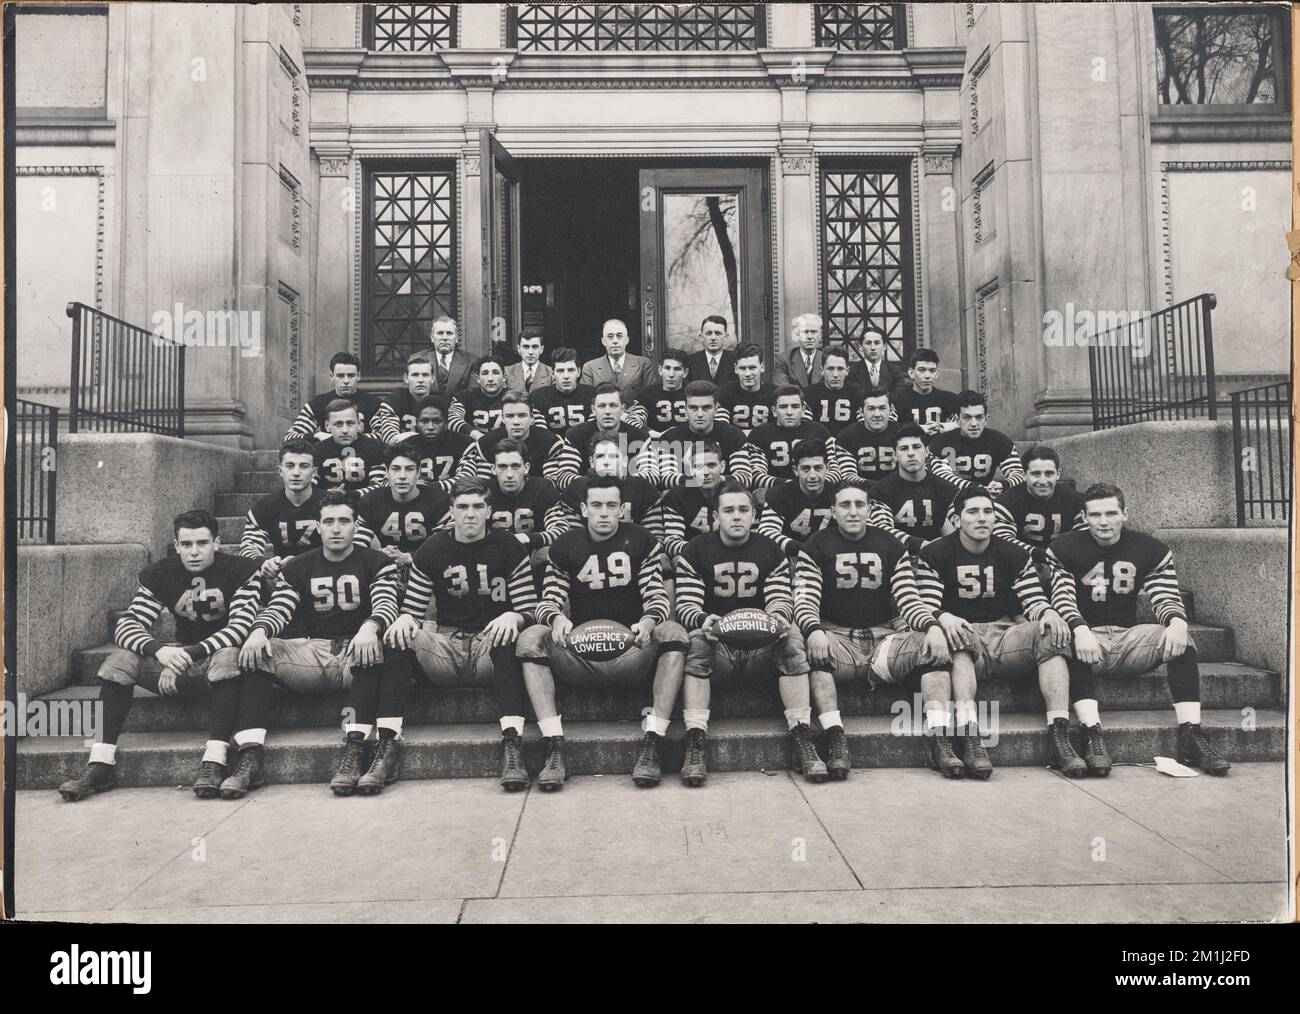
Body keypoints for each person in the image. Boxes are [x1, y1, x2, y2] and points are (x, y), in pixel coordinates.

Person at [56, 511, 265, 801]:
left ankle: (214, 759)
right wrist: (161, 651)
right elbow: (127, 625)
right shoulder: (160, 573)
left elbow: (240, 628)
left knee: (229, 653)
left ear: (217, 543)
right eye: (187, 544)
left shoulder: (241, 570)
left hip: (219, 665)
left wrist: (184, 657)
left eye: (202, 543)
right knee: (122, 659)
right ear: (176, 545)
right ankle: (100, 762)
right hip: (180, 660)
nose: (194, 552)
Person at [1045, 483, 1230, 776]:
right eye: (1095, 515)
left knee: (1181, 637)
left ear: (1125, 514)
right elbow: (1062, 596)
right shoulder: (1064, 548)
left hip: (1129, 639)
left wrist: (1178, 623)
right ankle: (1092, 732)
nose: (1103, 521)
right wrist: (1079, 629)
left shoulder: (1150, 548)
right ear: (1084, 517)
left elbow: (1165, 594)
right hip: (1087, 637)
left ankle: (1191, 733)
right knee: (1061, 638)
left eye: (1111, 513)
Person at [518, 477, 690, 790]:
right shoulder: (566, 544)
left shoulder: (642, 540)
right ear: (583, 508)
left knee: (674, 632)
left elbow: (657, 596)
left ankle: (653, 742)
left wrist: (648, 622)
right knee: (531, 637)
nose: (604, 513)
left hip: (633, 650)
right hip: (580, 654)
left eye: (611, 505)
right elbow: (548, 600)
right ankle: (554, 746)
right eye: (596, 505)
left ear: (623, 508)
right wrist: (556, 619)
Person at [236, 490, 412, 797]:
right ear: (318, 526)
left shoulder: (377, 561)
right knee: (257, 652)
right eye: (328, 521)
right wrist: (260, 630)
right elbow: (280, 607)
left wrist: (370, 627)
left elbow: (386, 603)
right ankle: (250, 755)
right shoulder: (300, 565)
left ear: (356, 526)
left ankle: (357, 747)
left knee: (381, 645)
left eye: (344, 521)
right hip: (313, 651)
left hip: (356, 651)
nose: (336, 528)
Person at [901, 486, 1083, 778]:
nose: (982, 518)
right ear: (957, 518)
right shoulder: (935, 553)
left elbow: (1033, 600)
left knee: (1050, 632)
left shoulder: (1012, 552)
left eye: (988, 511)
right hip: (962, 634)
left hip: (1003, 633)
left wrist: (1048, 612)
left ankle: (1059, 734)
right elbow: (926, 604)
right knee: (957, 635)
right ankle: (970, 736)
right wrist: (944, 617)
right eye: (973, 512)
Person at [384, 478, 542, 791]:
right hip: (446, 648)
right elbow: (413, 611)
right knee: (397, 636)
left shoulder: (508, 545)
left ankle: (512, 743)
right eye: (462, 507)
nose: (470, 514)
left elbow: (532, 610)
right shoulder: (432, 548)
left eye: (477, 506)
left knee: (510, 636)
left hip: (490, 649)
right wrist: (403, 619)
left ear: (489, 511)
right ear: (451, 511)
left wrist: (513, 614)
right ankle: (387, 744)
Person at [794, 479, 954, 780]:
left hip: (884, 639)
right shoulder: (816, 545)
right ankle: (835, 736)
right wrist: (813, 629)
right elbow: (804, 598)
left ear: (869, 508)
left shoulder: (890, 544)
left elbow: (909, 598)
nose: (853, 512)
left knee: (932, 648)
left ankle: (939, 736)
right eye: (845, 505)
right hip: (836, 638)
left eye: (859, 505)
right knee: (809, 652)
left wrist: (932, 625)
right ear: (833, 510)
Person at [674, 481, 825, 786]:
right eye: (728, 510)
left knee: (792, 636)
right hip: (718, 648)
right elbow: (686, 604)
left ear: (754, 515)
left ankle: (801, 736)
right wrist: (705, 620)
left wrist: (777, 620)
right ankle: (695, 741)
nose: (737, 516)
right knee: (696, 641)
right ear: (716, 516)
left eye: (744, 509)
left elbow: (781, 599)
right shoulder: (695, 549)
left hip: (761, 648)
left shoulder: (769, 549)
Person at [456, 390, 582, 490]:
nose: (516, 422)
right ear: (503, 418)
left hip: (537, 497)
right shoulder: (486, 443)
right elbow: (484, 484)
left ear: (532, 418)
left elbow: (552, 485)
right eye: (510, 416)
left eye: (522, 415)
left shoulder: (550, 442)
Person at [240, 438, 326, 580]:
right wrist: (264, 563)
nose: (296, 473)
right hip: (282, 574)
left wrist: (302, 561)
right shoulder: (265, 507)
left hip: (324, 572)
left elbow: (347, 546)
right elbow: (248, 547)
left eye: (304, 466)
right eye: (290, 466)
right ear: (280, 471)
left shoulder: (330, 504)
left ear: (314, 472)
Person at [355, 445, 453, 570]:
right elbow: (359, 543)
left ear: (418, 473)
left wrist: (409, 557)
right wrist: (378, 555)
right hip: (381, 567)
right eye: (396, 469)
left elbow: (442, 545)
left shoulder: (440, 501)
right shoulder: (371, 500)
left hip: (426, 567)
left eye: (409, 469)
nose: (402, 476)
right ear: (387, 472)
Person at [871, 423, 961, 546]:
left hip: (939, 558)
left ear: (927, 452)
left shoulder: (947, 489)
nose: (911, 453)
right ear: (894, 454)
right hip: (898, 557)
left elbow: (960, 532)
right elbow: (883, 529)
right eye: (904, 448)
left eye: (916, 447)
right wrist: (922, 545)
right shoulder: (881, 490)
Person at [654, 380, 753, 489]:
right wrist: (705, 481)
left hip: (723, 495)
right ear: (685, 409)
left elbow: (745, 478)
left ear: (716, 408)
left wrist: (712, 482)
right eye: (693, 408)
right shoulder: (670, 437)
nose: (700, 414)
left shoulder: (733, 435)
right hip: (686, 497)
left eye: (706, 408)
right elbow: (667, 478)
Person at [928, 390, 1026, 494]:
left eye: (979, 417)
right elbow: (942, 476)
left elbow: (1018, 473)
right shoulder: (942, 442)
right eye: (967, 417)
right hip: (953, 497)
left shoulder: (1000, 441)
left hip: (988, 496)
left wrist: (1002, 485)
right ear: (957, 420)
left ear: (986, 419)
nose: (974, 424)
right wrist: (976, 488)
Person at [993, 445, 1087, 552]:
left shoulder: (1075, 500)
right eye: (1036, 474)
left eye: (1049, 473)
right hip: (1021, 562)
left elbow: (1085, 536)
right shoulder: (1006, 502)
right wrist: (1041, 555)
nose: (1043, 481)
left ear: (1058, 474)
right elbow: (1004, 542)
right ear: (1024, 475)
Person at [748, 385, 842, 490]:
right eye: (783, 407)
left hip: (815, 490)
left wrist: (812, 483)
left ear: (803, 409)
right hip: (776, 491)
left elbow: (834, 471)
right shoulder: (759, 434)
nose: (789, 412)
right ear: (774, 411)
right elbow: (756, 475)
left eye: (795, 406)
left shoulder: (820, 431)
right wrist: (792, 485)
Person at [558, 433, 661, 528]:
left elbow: (654, 537)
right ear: (591, 462)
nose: (606, 462)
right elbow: (573, 538)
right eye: (600, 456)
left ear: (625, 461)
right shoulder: (576, 488)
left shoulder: (642, 488)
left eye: (613, 456)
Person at [756, 439, 837, 554]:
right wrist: (805, 550)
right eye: (805, 469)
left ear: (827, 468)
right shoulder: (780, 494)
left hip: (830, 555)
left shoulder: (839, 494)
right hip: (790, 556)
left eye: (818, 468)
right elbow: (767, 533)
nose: (812, 475)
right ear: (796, 470)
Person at [285, 351, 384, 441]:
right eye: (340, 376)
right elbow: (290, 437)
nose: (346, 381)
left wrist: (351, 438)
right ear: (331, 376)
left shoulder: (373, 403)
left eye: (351, 375)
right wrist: (317, 435)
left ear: (358, 376)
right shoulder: (317, 404)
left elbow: (384, 436)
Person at [564, 382, 655, 478]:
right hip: (587, 491)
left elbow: (651, 474)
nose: (607, 412)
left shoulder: (641, 437)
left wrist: (617, 484)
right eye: (602, 406)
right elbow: (564, 475)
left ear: (622, 409)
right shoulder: (575, 435)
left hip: (627, 492)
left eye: (613, 405)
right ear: (593, 409)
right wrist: (595, 484)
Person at [311, 400, 389, 495]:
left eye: (350, 423)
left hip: (365, 505)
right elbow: (310, 485)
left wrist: (350, 495)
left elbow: (378, 486)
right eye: (338, 424)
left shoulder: (376, 448)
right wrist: (326, 495)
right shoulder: (316, 450)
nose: (345, 430)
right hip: (325, 505)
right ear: (327, 426)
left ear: (358, 424)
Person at [401, 396, 473, 492]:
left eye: (436, 421)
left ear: (446, 423)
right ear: (416, 423)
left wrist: (429, 487)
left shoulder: (464, 443)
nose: (430, 427)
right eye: (424, 421)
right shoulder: (406, 446)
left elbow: (466, 478)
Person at [835, 387, 900, 485]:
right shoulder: (847, 436)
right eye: (871, 408)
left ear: (891, 410)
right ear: (861, 412)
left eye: (882, 408)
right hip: (860, 493)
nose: (877, 414)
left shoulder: (902, 433)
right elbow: (848, 476)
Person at [890, 348, 959, 436]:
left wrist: (941, 427)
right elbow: (889, 427)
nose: (927, 376)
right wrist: (920, 429)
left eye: (932, 371)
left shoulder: (950, 399)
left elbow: (962, 424)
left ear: (937, 373)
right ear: (911, 373)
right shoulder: (897, 399)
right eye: (922, 370)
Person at [579, 318, 656, 395]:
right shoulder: (590, 367)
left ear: (626, 340)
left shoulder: (643, 364)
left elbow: (650, 396)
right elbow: (587, 399)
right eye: (610, 336)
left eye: (619, 336)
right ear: (603, 341)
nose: (615, 341)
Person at [371, 351, 435, 443]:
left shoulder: (442, 400)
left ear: (432, 378)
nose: (420, 380)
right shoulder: (395, 400)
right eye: (415, 375)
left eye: (425, 375)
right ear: (406, 378)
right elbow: (390, 439)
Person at [530, 346, 594, 437]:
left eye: (571, 370)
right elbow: (541, 435)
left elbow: (593, 431)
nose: (566, 376)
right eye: (560, 371)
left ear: (579, 372)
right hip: (551, 447)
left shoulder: (591, 394)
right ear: (552, 374)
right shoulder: (539, 397)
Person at [802, 344, 865, 437]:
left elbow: (863, 426)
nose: (835, 374)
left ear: (847, 370)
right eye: (830, 369)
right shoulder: (809, 393)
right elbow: (805, 427)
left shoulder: (859, 393)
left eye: (840, 369)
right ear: (822, 370)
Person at [630, 348, 690, 438]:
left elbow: (716, 418)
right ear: (660, 370)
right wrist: (656, 435)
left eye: (677, 369)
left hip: (690, 445)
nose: (671, 374)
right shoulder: (648, 394)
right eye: (667, 368)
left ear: (685, 373)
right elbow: (631, 420)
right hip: (656, 445)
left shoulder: (694, 393)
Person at [716, 342, 774, 434]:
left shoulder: (774, 394)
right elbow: (721, 430)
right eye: (743, 368)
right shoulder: (724, 394)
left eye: (752, 368)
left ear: (762, 367)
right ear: (736, 369)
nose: (747, 374)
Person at [448, 354, 509, 440]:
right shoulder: (465, 397)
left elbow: (530, 421)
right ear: (478, 379)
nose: (490, 378)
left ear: (504, 378)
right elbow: (451, 418)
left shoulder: (515, 398)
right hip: (474, 447)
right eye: (485, 373)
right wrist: (476, 435)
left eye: (495, 373)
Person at [771, 312, 825, 388]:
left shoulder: (827, 358)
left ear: (820, 335)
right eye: (805, 332)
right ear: (797, 334)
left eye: (814, 332)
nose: (809, 336)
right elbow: (783, 391)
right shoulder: (784, 360)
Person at [428, 315, 476, 398]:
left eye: (449, 333)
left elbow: (473, 393)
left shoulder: (471, 361)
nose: (444, 338)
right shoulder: (418, 360)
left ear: (456, 338)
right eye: (440, 333)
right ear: (432, 337)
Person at [685, 314, 737, 384]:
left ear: (726, 337)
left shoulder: (735, 359)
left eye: (718, 333)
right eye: (709, 333)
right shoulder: (690, 361)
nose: (713, 338)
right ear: (701, 337)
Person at [505, 328, 553, 392]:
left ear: (541, 349)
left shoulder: (550, 373)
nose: (530, 352)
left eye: (535, 347)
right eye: (526, 347)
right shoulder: (507, 372)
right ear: (519, 349)